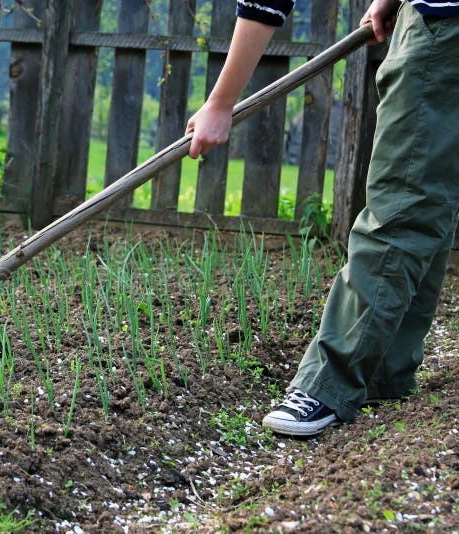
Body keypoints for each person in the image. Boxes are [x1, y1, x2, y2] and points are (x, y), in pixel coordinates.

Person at [187, 0, 459, 437]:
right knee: (429, 188)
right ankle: (384, 368)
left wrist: (221, 102)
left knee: (403, 201)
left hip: (445, 29)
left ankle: (328, 383)